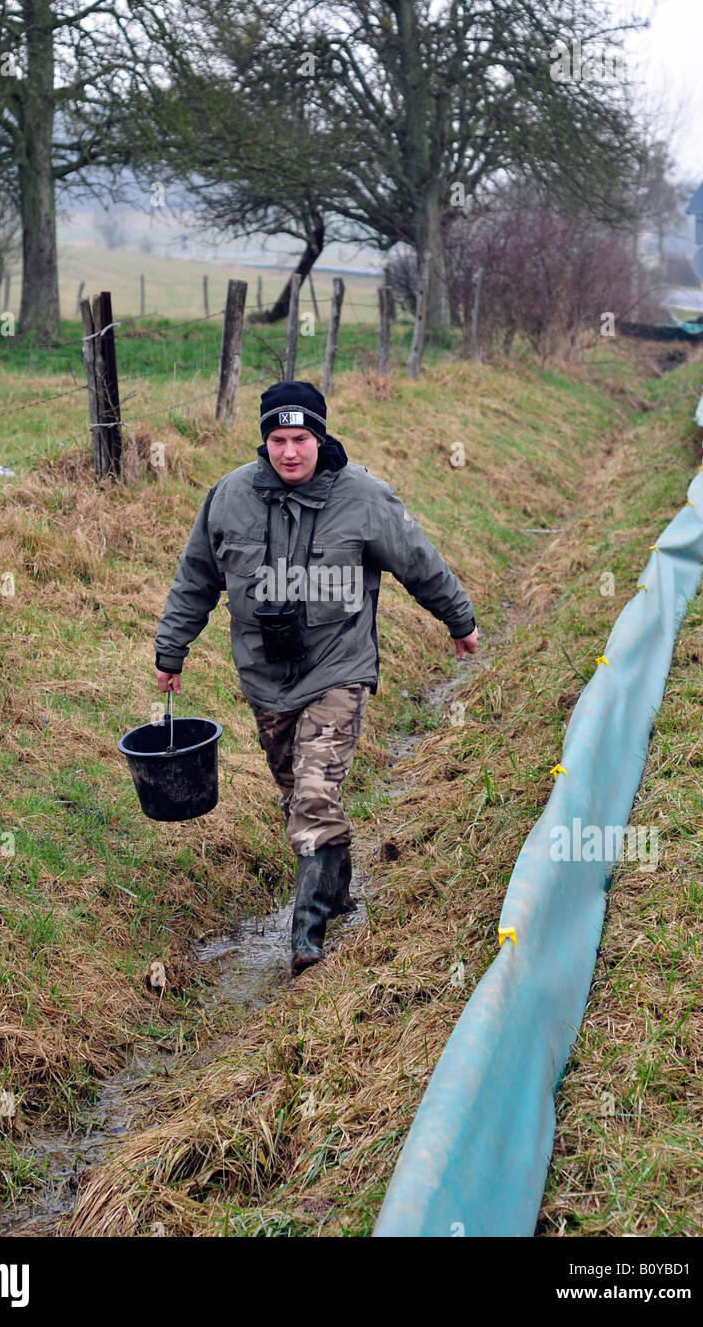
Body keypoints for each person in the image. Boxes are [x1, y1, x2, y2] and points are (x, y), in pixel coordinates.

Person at [154, 380, 478, 976]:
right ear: (265, 442)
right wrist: (171, 650)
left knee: (314, 794)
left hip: (339, 666)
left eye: (300, 438)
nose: (289, 452)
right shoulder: (229, 498)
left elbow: (418, 559)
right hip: (264, 676)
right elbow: (195, 578)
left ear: (320, 438)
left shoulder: (364, 497)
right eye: (277, 439)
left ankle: (308, 939)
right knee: (296, 795)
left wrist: (459, 620)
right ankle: (338, 894)